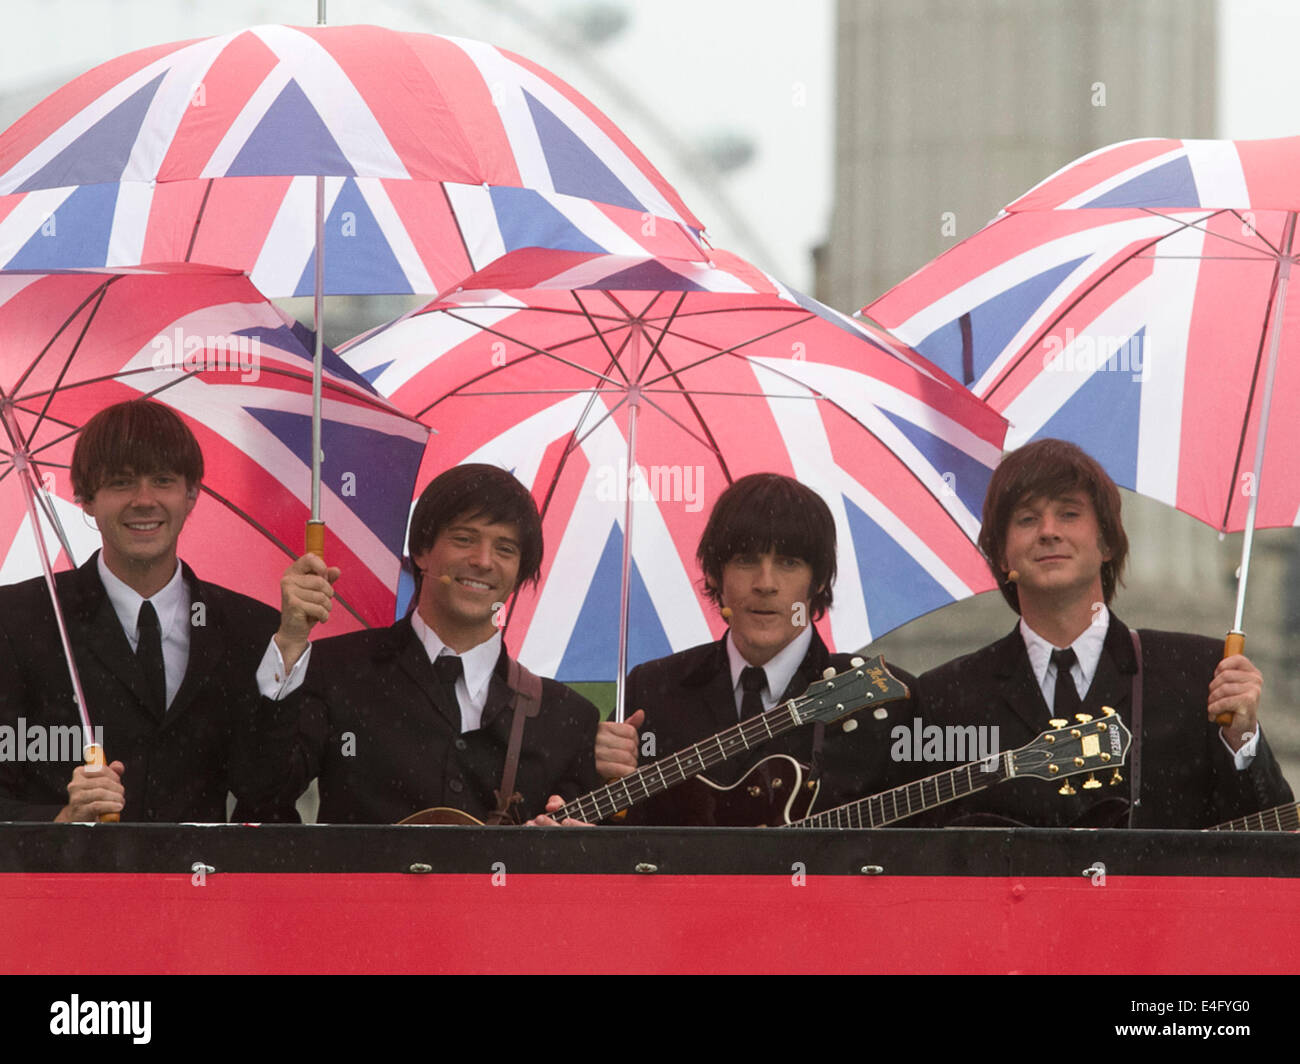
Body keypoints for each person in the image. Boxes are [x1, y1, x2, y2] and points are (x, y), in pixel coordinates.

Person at [910, 438, 1292, 828]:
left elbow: (1269, 831)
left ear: (1107, 542)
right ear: (1002, 553)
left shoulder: (1201, 674)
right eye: (1027, 519)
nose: (1048, 532)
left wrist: (1243, 739)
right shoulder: (946, 696)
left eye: (1069, 514)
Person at [235, 464, 602, 824]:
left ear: (520, 572)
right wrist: (291, 642)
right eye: (464, 539)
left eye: (505, 549)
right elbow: (260, 793)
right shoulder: (335, 671)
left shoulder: (568, 719)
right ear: (423, 551)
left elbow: (585, 865)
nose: (483, 561)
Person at [0, 399, 279, 822]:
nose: (144, 500)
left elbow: (268, 793)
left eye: (163, 481)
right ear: (86, 500)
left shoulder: (249, 628)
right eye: (121, 483)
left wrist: (290, 648)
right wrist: (62, 821)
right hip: (67, 884)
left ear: (191, 496)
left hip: (199, 882)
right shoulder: (19, 620)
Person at [584, 473, 913, 826]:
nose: (765, 584)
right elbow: (611, 842)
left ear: (817, 581)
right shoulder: (650, 690)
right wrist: (599, 777)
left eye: (788, 562)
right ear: (714, 574)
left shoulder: (886, 700)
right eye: (746, 560)